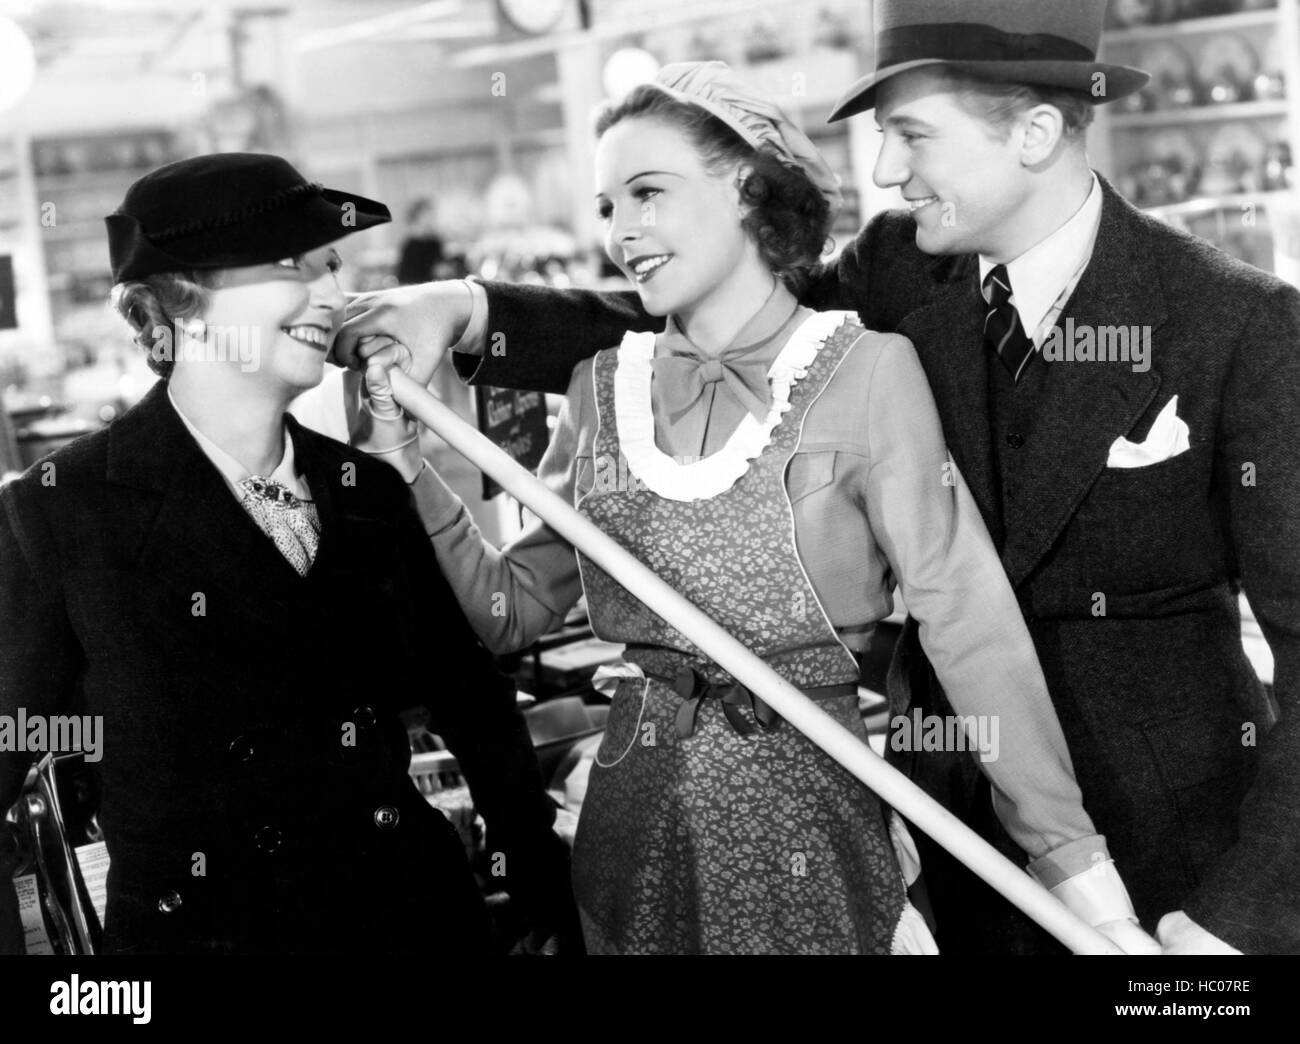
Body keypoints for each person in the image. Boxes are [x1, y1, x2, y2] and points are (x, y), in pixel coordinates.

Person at [337, 0, 1300, 955]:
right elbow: (696, 324)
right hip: (932, 823)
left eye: (911, 134)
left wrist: (1241, 921)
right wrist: (466, 312)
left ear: (1038, 131)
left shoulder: (1242, 326)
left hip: (1177, 862)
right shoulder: (901, 269)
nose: (884, 171)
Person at [0, 153, 576, 955]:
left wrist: (540, 881)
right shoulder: (62, 508)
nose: (335, 295)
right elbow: (17, 741)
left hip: (410, 923)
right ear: (182, 303)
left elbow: (468, 695)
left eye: (330, 264)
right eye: (289, 266)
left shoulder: (364, 488)